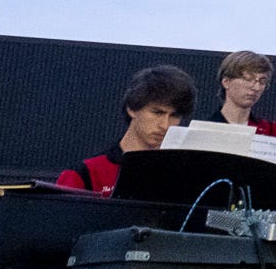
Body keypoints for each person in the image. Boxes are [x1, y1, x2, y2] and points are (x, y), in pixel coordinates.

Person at [57, 66, 196, 195]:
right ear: (132, 108)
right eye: (157, 112)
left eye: (174, 116)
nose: (165, 125)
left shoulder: (184, 176)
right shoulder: (85, 174)